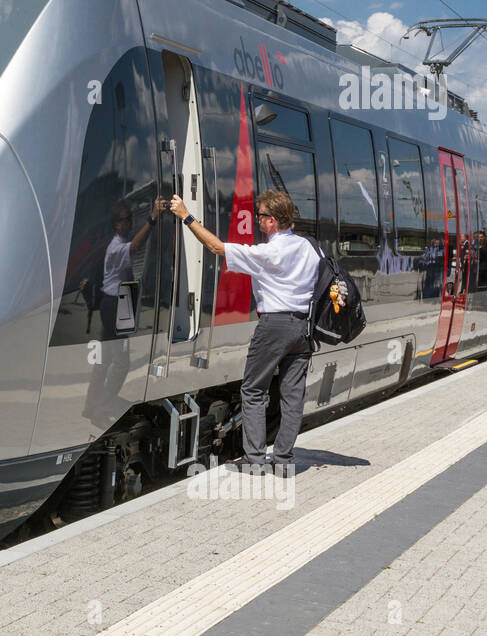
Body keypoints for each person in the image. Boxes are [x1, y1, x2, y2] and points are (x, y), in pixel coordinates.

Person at [167, 190, 320, 471]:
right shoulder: (309, 246)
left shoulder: (270, 252)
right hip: (303, 327)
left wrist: (185, 216)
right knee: (293, 395)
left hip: (274, 326)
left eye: (260, 215)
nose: (257, 220)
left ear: (272, 221)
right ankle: (284, 459)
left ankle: (255, 459)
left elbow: (216, 248)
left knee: (253, 389)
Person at [83, 196, 166, 427]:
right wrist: (153, 217)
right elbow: (137, 246)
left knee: (104, 359)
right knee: (120, 363)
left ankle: (91, 405)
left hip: (120, 300)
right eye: (124, 220)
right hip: (114, 304)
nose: (128, 223)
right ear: (116, 224)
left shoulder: (118, 243)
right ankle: (103, 406)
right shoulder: (117, 247)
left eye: (130, 219)